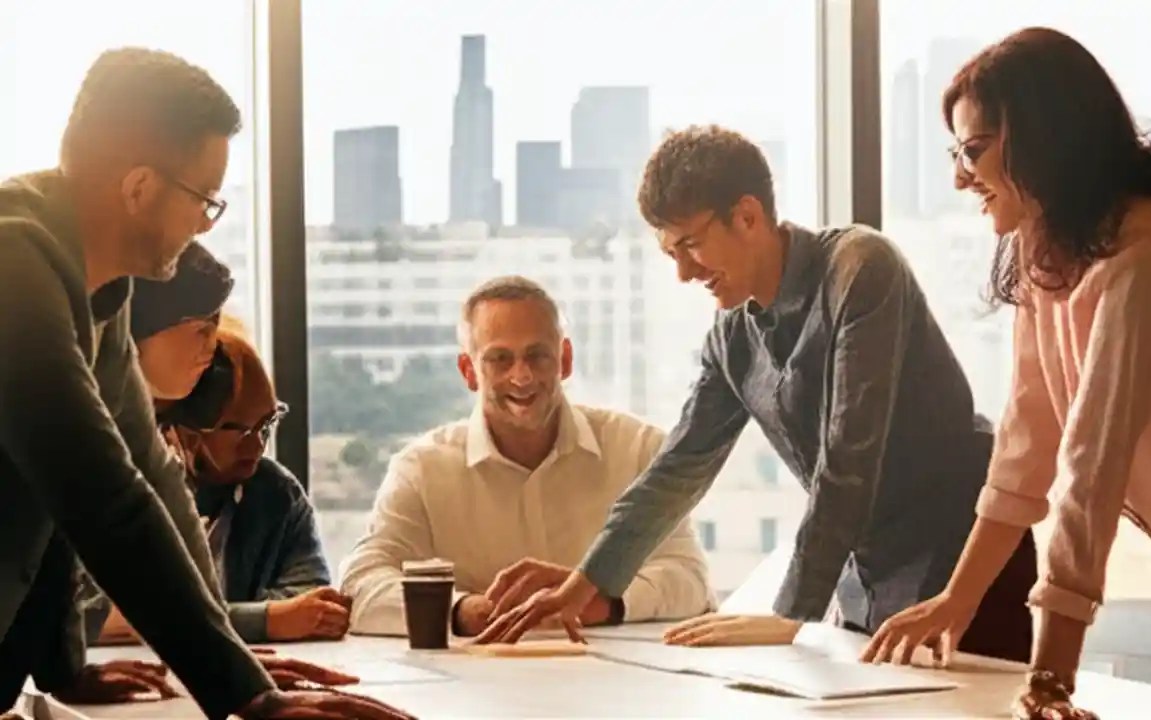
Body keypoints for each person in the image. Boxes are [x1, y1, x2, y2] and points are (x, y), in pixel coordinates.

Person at [476, 126, 1036, 664]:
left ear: (747, 216)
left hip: (961, 549)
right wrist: (583, 584)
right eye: (671, 252)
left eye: (691, 246)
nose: (683, 273)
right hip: (860, 567)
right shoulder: (732, 336)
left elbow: (849, 455)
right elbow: (677, 469)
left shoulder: (861, 267)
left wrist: (789, 615)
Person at [863, 26, 1151, 717]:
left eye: (973, 150)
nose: (959, 177)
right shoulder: (1050, 253)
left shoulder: (1149, 260)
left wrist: (1052, 677)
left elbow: (1091, 466)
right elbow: (1029, 441)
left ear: (1042, 139)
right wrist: (956, 600)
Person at [0, 47, 411, 720]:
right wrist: (246, 697)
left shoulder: (100, 287)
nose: (204, 223)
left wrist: (225, 661)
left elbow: (152, 476)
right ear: (137, 188)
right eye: (204, 199)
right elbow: (101, 495)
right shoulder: (14, 263)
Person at [340, 276, 714, 638]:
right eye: (499, 360)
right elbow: (360, 584)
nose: (522, 377)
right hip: (473, 690)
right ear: (469, 371)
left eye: (538, 356)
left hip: (618, 688)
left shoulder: (638, 449)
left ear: (565, 359)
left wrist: (594, 599)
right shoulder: (421, 470)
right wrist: (464, 610)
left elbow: (690, 579)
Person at [95, 313, 346, 646]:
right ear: (180, 428)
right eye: (238, 430)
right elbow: (95, 617)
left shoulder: (274, 491)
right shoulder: (127, 489)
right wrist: (266, 620)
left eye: (267, 424)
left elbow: (312, 604)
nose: (257, 445)